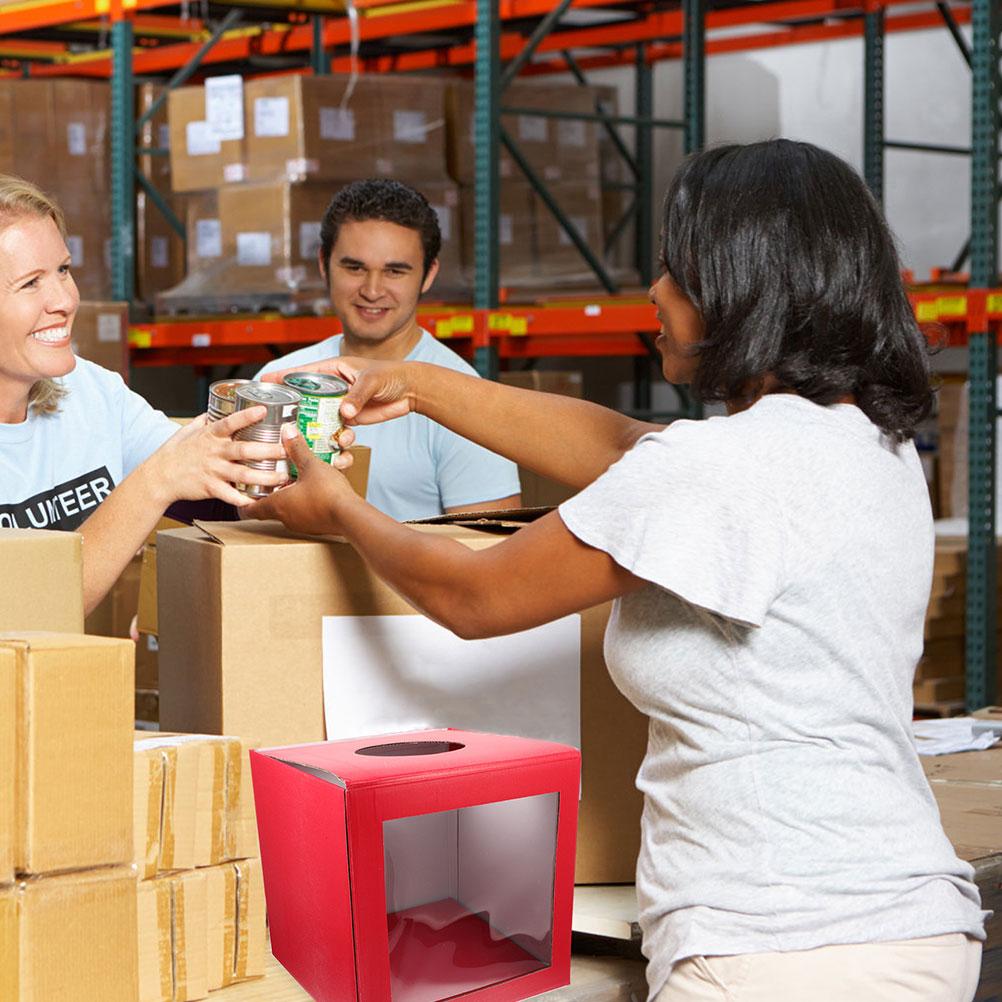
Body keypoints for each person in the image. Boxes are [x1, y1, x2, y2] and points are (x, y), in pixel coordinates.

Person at [250, 139, 986, 1001]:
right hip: (902, 918)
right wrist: (415, 385)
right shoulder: (866, 441)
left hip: (779, 942)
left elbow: (472, 594)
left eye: (677, 268)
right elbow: (615, 445)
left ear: (744, 284)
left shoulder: (723, 470)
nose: (655, 291)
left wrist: (334, 505)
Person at [0, 174, 290, 614]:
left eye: (63, 270)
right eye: (30, 283)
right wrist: (155, 482)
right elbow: (28, 615)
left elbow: (224, 501)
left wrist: (291, 451)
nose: (64, 299)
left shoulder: (92, 392)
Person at [253, 178, 520, 520]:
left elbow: (491, 550)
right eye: (354, 268)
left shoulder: (464, 399)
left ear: (428, 275)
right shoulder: (279, 381)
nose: (372, 290)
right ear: (324, 264)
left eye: (395, 271)